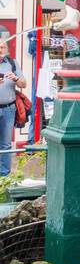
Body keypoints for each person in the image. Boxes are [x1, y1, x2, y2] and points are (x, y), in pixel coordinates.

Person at [0, 37, 26, 177]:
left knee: (6, 144)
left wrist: (15, 78)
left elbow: (23, 84)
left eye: (3, 47)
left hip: (8, 109)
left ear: (7, 49)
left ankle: (4, 177)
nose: (0, 50)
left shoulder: (12, 63)